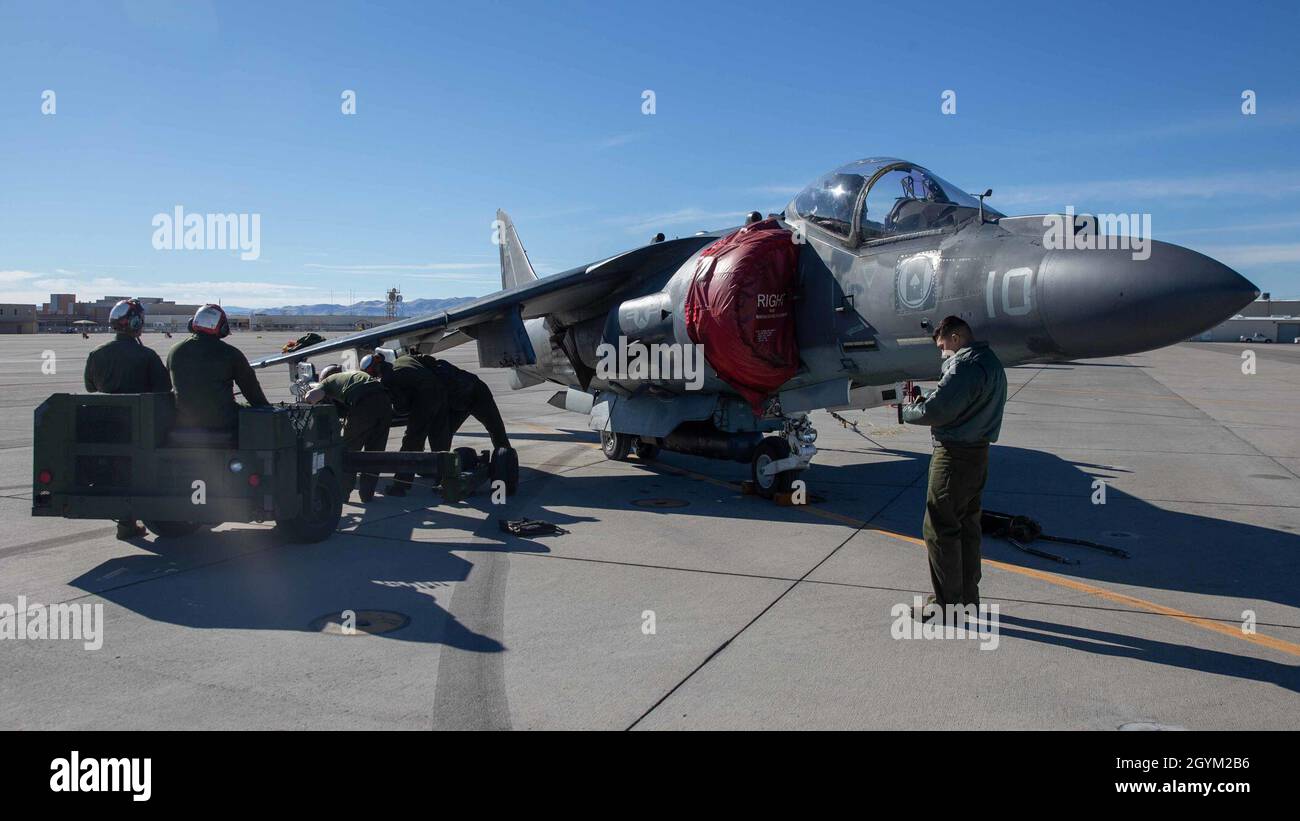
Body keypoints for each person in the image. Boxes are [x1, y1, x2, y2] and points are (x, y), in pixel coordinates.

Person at [900, 315, 1007, 621]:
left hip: (953, 456)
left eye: (943, 345)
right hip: (978, 454)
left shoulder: (964, 365)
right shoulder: (991, 363)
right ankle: (967, 599)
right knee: (968, 526)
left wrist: (908, 409)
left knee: (939, 528)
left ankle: (947, 606)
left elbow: (936, 411)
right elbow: (960, 404)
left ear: (956, 338)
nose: (942, 352)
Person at [83, 299, 172, 540]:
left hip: (104, 427)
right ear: (134, 323)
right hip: (140, 427)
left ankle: (126, 523)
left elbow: (90, 388)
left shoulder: (96, 353)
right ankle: (130, 523)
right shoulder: (146, 355)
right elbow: (164, 389)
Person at [167, 304, 270, 430]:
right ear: (222, 328)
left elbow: (167, 387)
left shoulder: (175, 351)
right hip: (224, 423)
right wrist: (269, 411)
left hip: (184, 422)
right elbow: (253, 394)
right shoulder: (231, 353)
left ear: (192, 323)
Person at [364, 352, 446, 497]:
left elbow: (401, 406)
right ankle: (443, 481)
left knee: (411, 441)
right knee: (440, 438)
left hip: (425, 400)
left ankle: (400, 485)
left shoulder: (388, 378)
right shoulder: (401, 361)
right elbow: (429, 361)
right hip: (442, 392)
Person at [305, 368, 393, 502]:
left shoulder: (327, 382)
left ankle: (342, 494)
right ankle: (367, 494)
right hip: (385, 402)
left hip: (364, 403)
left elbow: (311, 397)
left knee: (348, 452)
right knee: (375, 452)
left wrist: (307, 403)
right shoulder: (353, 376)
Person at [412, 354, 511, 452]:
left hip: (476, 394)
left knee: (496, 430)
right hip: (459, 400)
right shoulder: (433, 369)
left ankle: (506, 455)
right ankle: (442, 460)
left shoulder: (430, 378)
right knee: (497, 432)